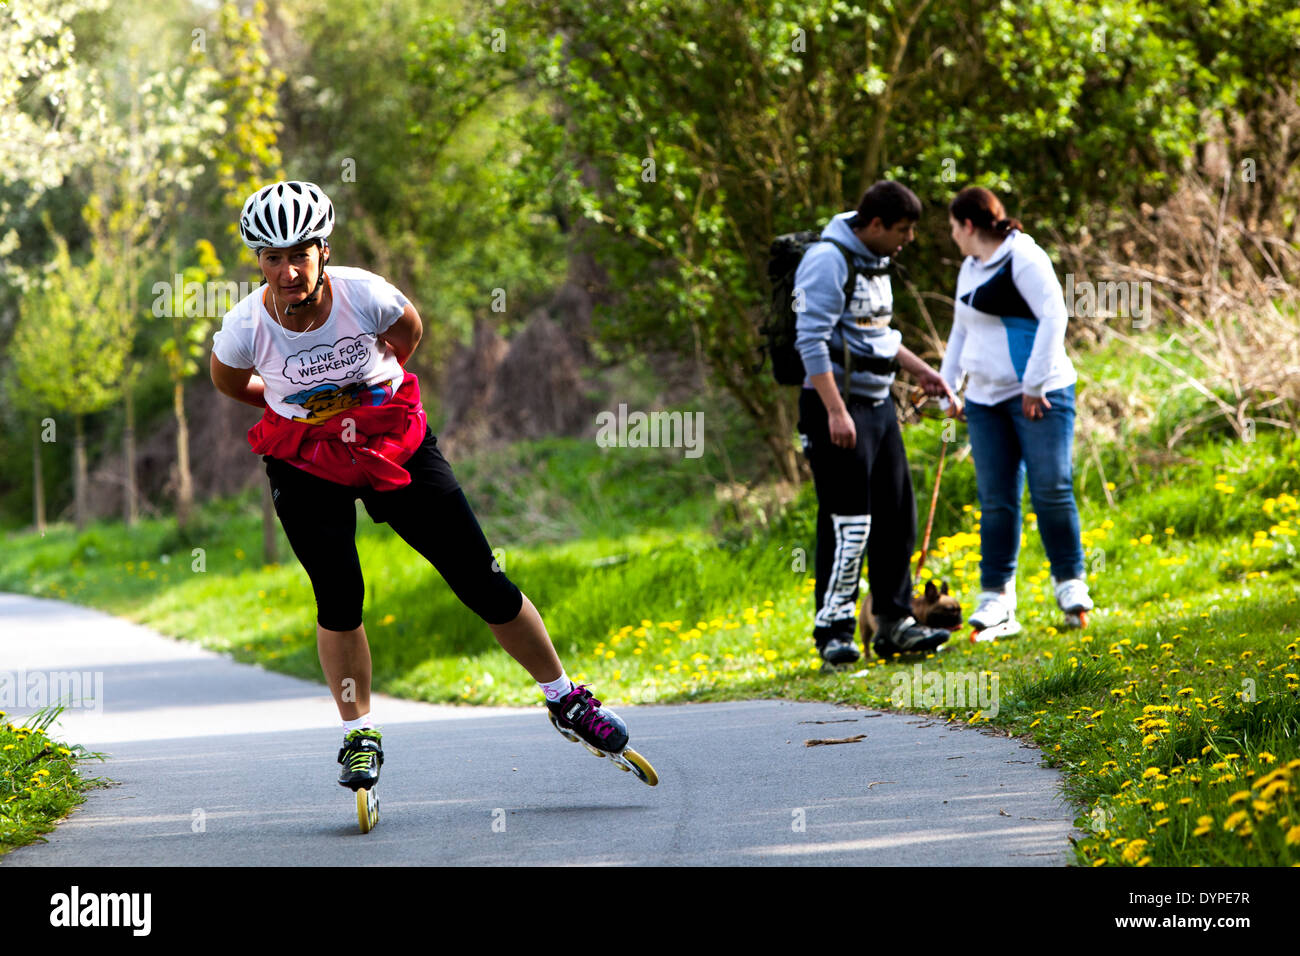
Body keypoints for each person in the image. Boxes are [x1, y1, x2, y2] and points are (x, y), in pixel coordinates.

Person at [209, 181, 644, 793]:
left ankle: (565, 699)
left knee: (481, 578)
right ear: (258, 260)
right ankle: (358, 735)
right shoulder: (245, 325)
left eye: (300, 253)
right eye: (272, 257)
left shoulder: (365, 295)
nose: (287, 271)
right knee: (338, 595)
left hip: (393, 440)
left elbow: (408, 335)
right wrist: (288, 405)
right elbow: (231, 383)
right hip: (307, 460)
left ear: (323, 250)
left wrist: (369, 387)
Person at [794, 180, 960, 665]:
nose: (908, 239)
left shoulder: (876, 260)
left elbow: (879, 335)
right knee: (850, 523)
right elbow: (811, 342)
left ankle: (893, 623)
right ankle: (836, 632)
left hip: (878, 404)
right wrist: (835, 410)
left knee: (895, 515)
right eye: (903, 230)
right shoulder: (828, 261)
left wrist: (923, 371)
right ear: (875, 225)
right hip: (837, 407)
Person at [938, 185, 1094, 635]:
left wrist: (1032, 385)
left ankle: (1070, 584)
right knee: (996, 501)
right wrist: (947, 389)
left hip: (1039, 395)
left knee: (1051, 488)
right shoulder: (969, 268)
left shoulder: (1023, 257)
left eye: (952, 227)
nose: (952, 236)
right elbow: (960, 331)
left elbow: (1054, 316)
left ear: (969, 225)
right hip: (984, 402)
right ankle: (997, 600)